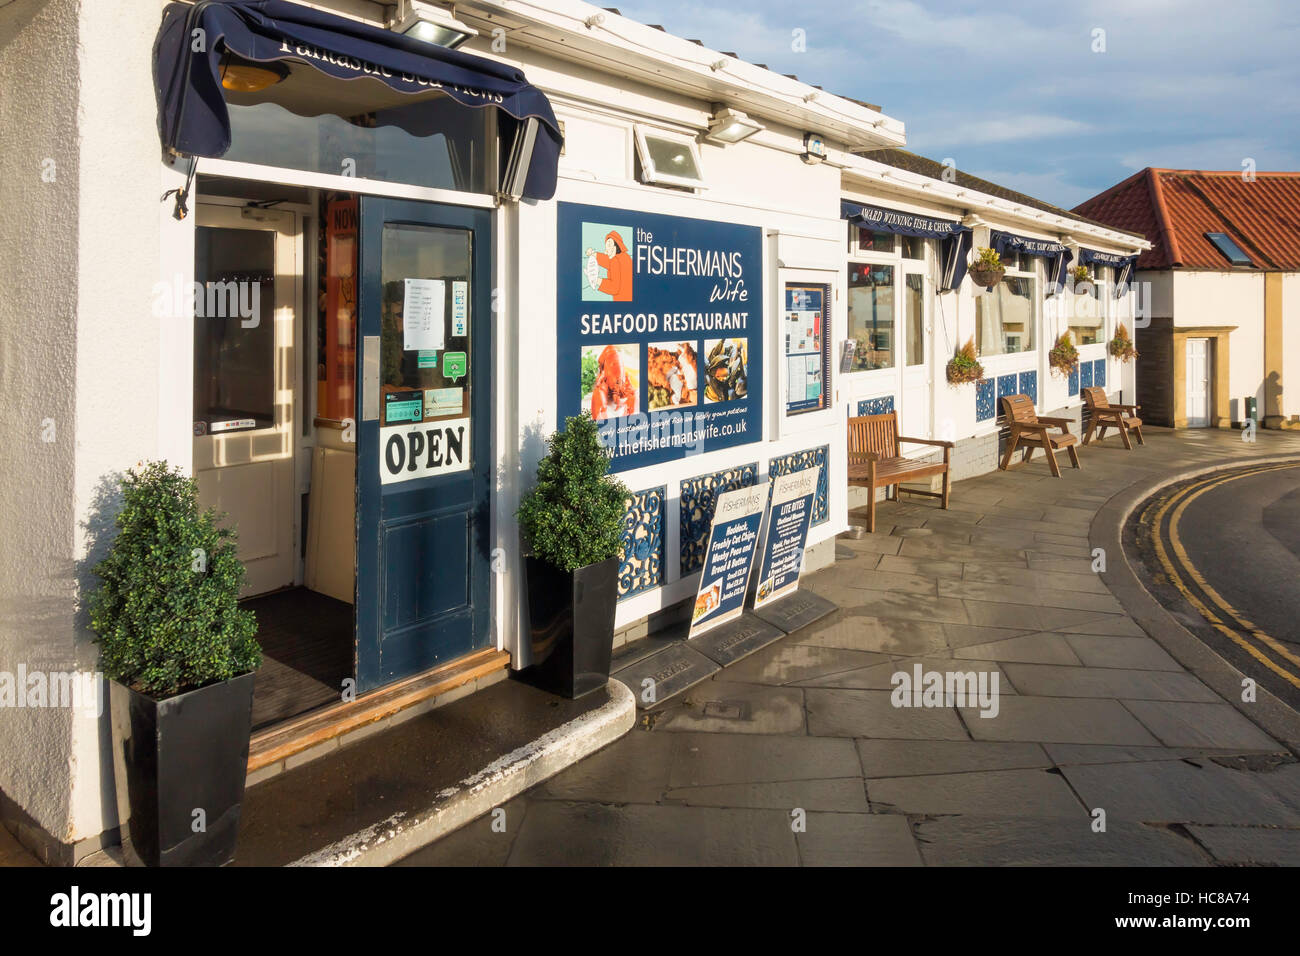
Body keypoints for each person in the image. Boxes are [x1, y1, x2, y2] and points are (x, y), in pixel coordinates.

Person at [585, 230, 633, 301]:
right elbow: (607, 261)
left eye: (609, 245)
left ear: (615, 246)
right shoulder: (625, 257)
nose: (606, 250)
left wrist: (595, 279)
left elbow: (614, 288)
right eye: (606, 245)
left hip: (621, 301)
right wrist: (593, 254)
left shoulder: (615, 261)